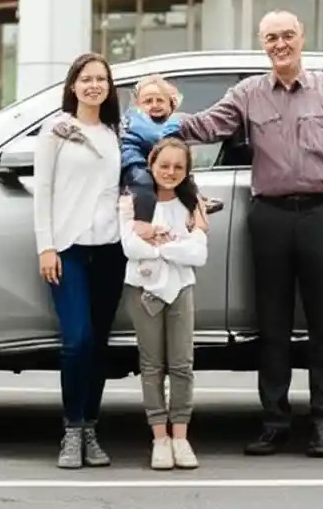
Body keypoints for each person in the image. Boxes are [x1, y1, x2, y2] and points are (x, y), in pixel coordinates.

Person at [171, 9, 323, 458]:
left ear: (302, 38)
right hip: (269, 216)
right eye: (271, 37)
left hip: (321, 214)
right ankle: (274, 422)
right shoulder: (248, 94)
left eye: (288, 36)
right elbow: (206, 126)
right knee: (271, 324)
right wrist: (152, 121)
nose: (280, 44)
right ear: (263, 43)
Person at [33, 51, 126, 469]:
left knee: (99, 345)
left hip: (110, 248)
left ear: (109, 88)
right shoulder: (56, 131)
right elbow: (43, 192)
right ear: (73, 86)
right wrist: (46, 246)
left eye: (101, 80)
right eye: (86, 79)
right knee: (78, 340)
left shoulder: (115, 133)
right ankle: (71, 430)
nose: (93, 85)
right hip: (67, 248)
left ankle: (91, 428)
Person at [118, 136, 209, 470]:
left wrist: (159, 242)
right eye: (164, 165)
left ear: (187, 171)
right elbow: (131, 247)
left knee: (182, 364)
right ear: (151, 164)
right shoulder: (133, 201)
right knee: (152, 364)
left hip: (180, 289)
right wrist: (175, 244)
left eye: (178, 167)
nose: (170, 172)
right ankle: (160, 437)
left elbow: (198, 253)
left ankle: (181, 436)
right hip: (143, 289)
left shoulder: (191, 203)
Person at [120, 74, 183, 226]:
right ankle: (143, 224)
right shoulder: (136, 118)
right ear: (138, 105)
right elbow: (154, 138)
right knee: (144, 186)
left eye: (160, 100)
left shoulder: (170, 122)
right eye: (148, 101)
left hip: (152, 165)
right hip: (134, 162)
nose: (154, 104)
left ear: (171, 104)